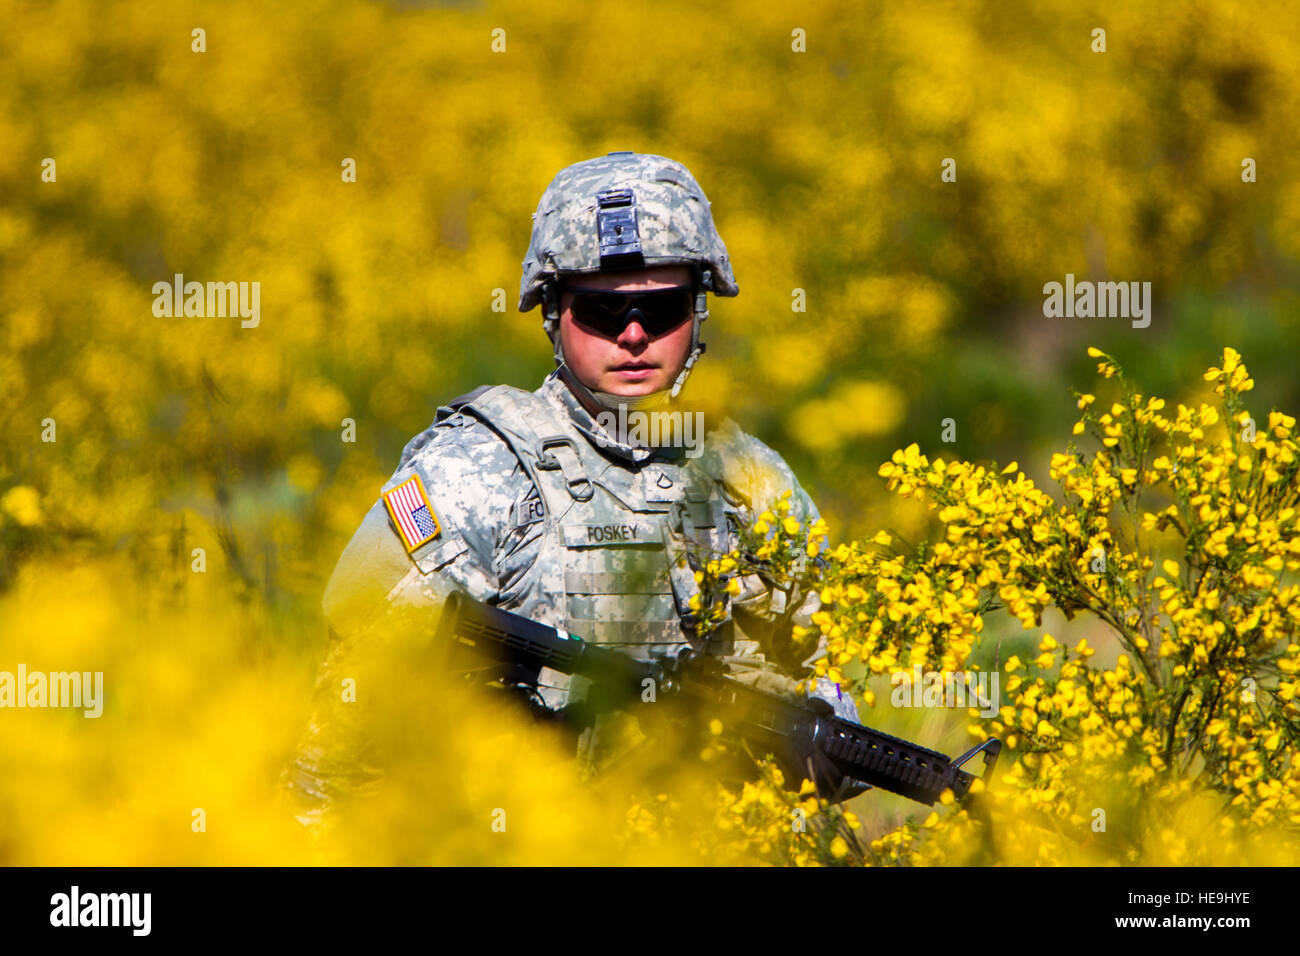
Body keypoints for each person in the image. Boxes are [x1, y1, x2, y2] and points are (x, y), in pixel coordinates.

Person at [284, 151, 860, 824]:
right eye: (602, 311)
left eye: (662, 307)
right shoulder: (472, 472)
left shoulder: (751, 484)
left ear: (698, 313)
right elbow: (344, 738)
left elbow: (827, 674)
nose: (635, 335)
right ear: (554, 313)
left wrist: (813, 742)